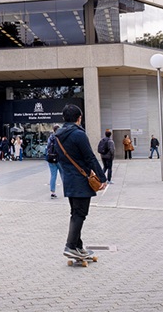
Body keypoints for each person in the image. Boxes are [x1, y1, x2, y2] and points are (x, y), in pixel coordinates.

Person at [50, 104, 106, 260]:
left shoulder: (58, 135)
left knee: (76, 213)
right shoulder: (78, 135)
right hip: (81, 180)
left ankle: (78, 246)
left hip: (67, 179)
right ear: (79, 118)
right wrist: (102, 178)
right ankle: (70, 246)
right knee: (80, 213)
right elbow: (90, 157)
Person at [45, 127, 62, 199]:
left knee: (53, 176)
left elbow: (47, 149)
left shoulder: (50, 138)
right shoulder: (59, 137)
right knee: (63, 174)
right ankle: (68, 190)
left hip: (51, 159)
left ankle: (52, 192)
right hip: (59, 159)